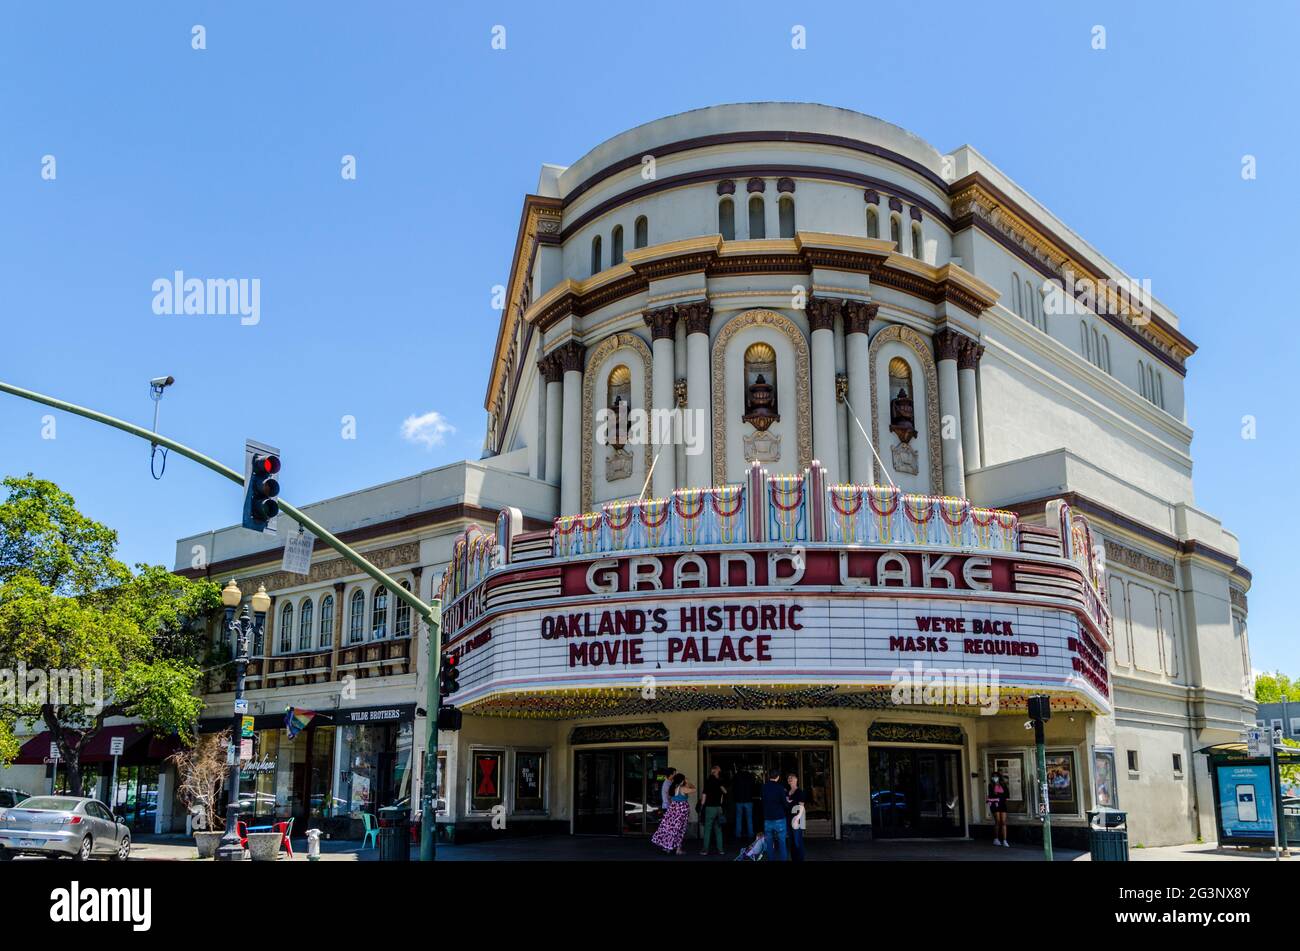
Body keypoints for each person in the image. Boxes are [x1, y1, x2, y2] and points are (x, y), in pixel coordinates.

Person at [652, 776, 693, 855]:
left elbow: (670, 798)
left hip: (673, 810)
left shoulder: (673, 788)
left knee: (670, 828)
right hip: (681, 811)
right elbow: (694, 789)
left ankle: (667, 847)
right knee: (680, 830)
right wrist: (688, 782)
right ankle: (677, 849)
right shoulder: (682, 788)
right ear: (682, 780)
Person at [760, 767, 789, 861]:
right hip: (779, 818)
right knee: (782, 843)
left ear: (769, 776)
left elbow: (763, 801)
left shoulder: (764, 787)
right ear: (778, 777)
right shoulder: (780, 788)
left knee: (769, 843)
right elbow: (785, 803)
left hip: (767, 818)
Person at [700, 765, 727, 855]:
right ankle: (721, 850)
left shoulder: (707, 782)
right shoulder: (719, 782)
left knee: (707, 829)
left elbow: (704, 796)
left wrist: (702, 806)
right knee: (718, 829)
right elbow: (725, 792)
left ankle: (705, 850)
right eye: (719, 771)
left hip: (709, 808)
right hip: (718, 808)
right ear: (716, 772)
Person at [786, 773, 807, 861]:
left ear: (796, 780)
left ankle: (800, 859)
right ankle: (794, 859)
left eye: (792, 778)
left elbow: (801, 806)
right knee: (791, 841)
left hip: (797, 819)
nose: (790, 779)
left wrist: (797, 819)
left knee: (797, 841)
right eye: (788, 778)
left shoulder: (799, 792)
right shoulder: (787, 792)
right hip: (789, 819)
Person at [987, 771, 1010, 847]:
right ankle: (996, 839)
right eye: (993, 777)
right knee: (998, 821)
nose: (995, 778)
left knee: (1003, 822)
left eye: (996, 776)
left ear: (999, 777)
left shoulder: (1003, 785)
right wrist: (999, 795)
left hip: (1002, 804)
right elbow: (991, 795)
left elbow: (1007, 795)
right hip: (994, 804)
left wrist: (998, 795)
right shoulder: (990, 785)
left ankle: (1004, 840)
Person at [731, 766, 754, 839]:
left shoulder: (736, 776)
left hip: (739, 800)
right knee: (749, 818)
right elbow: (753, 786)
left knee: (738, 818)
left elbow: (733, 788)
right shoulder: (750, 775)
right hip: (748, 799)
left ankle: (738, 834)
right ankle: (750, 834)